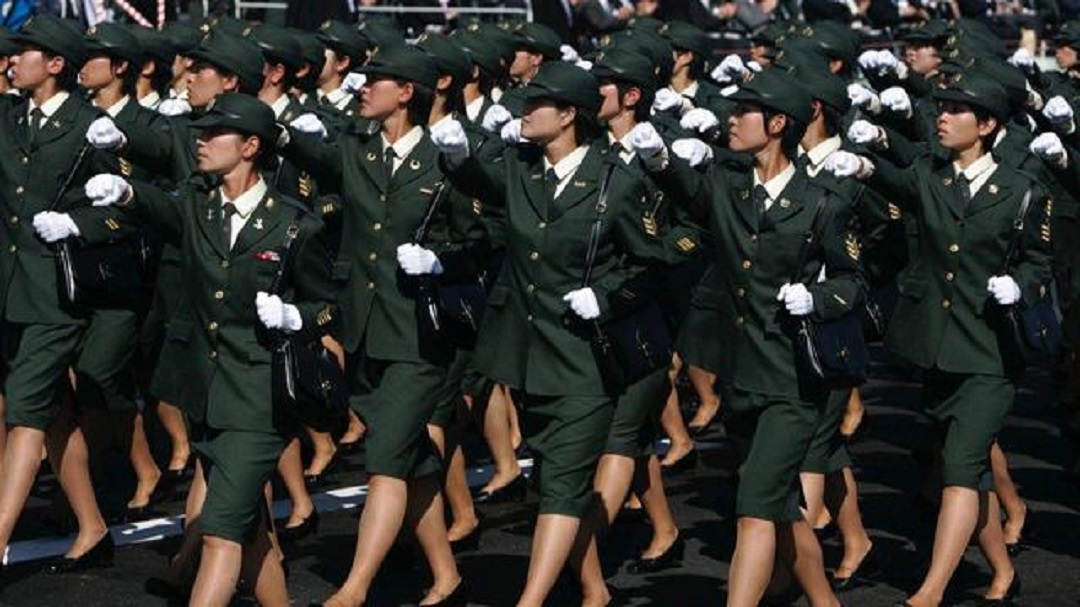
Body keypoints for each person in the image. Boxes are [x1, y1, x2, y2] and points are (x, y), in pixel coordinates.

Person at [85, 93, 337, 607]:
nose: (200, 141)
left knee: (220, 532)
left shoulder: (295, 224)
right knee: (250, 533)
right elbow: (160, 206)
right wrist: (125, 191)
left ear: (250, 146)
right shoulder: (198, 204)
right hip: (204, 392)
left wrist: (297, 318)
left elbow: (331, 308)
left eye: (213, 134)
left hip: (260, 402)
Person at [431, 61, 657, 607]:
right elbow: (482, 183)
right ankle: (595, 589)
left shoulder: (617, 179)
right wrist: (457, 157)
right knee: (559, 480)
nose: (524, 112)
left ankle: (531, 599)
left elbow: (648, 264)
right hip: (528, 355)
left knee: (560, 483)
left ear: (569, 115)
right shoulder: (521, 166)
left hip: (584, 358)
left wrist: (606, 297)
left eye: (537, 105)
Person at [631, 68, 858, 607]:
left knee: (754, 504)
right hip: (741, 374)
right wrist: (659, 160)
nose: (733, 121)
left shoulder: (823, 200)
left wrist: (819, 300)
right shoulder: (729, 187)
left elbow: (853, 280)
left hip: (792, 382)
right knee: (779, 501)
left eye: (745, 113)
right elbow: (690, 192)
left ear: (778, 124)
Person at [828, 72, 1051, 606]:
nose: (942, 117)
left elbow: (1041, 264)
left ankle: (929, 590)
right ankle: (1001, 570)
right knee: (968, 471)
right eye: (941, 107)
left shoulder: (1022, 189)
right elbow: (893, 180)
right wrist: (860, 161)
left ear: (989, 125)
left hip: (990, 353)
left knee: (960, 469)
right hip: (937, 347)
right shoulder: (934, 177)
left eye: (956, 110)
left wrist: (1017, 285)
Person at [286, 44, 479, 607]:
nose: (364, 87)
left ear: (408, 93)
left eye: (379, 80)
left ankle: (355, 586)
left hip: (421, 334)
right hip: (364, 328)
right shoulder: (358, 149)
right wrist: (274, 131)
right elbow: (313, 158)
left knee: (386, 460)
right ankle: (446, 575)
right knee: (414, 461)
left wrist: (442, 261)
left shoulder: (445, 157)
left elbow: (481, 237)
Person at [0, 13, 126, 576]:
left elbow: (127, 210)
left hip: (55, 294)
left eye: (23, 52)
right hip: (7, 291)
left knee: (25, 412)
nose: (10, 60)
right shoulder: (9, 116)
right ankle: (93, 526)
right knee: (50, 412)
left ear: (55, 64)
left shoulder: (89, 126)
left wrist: (81, 225)